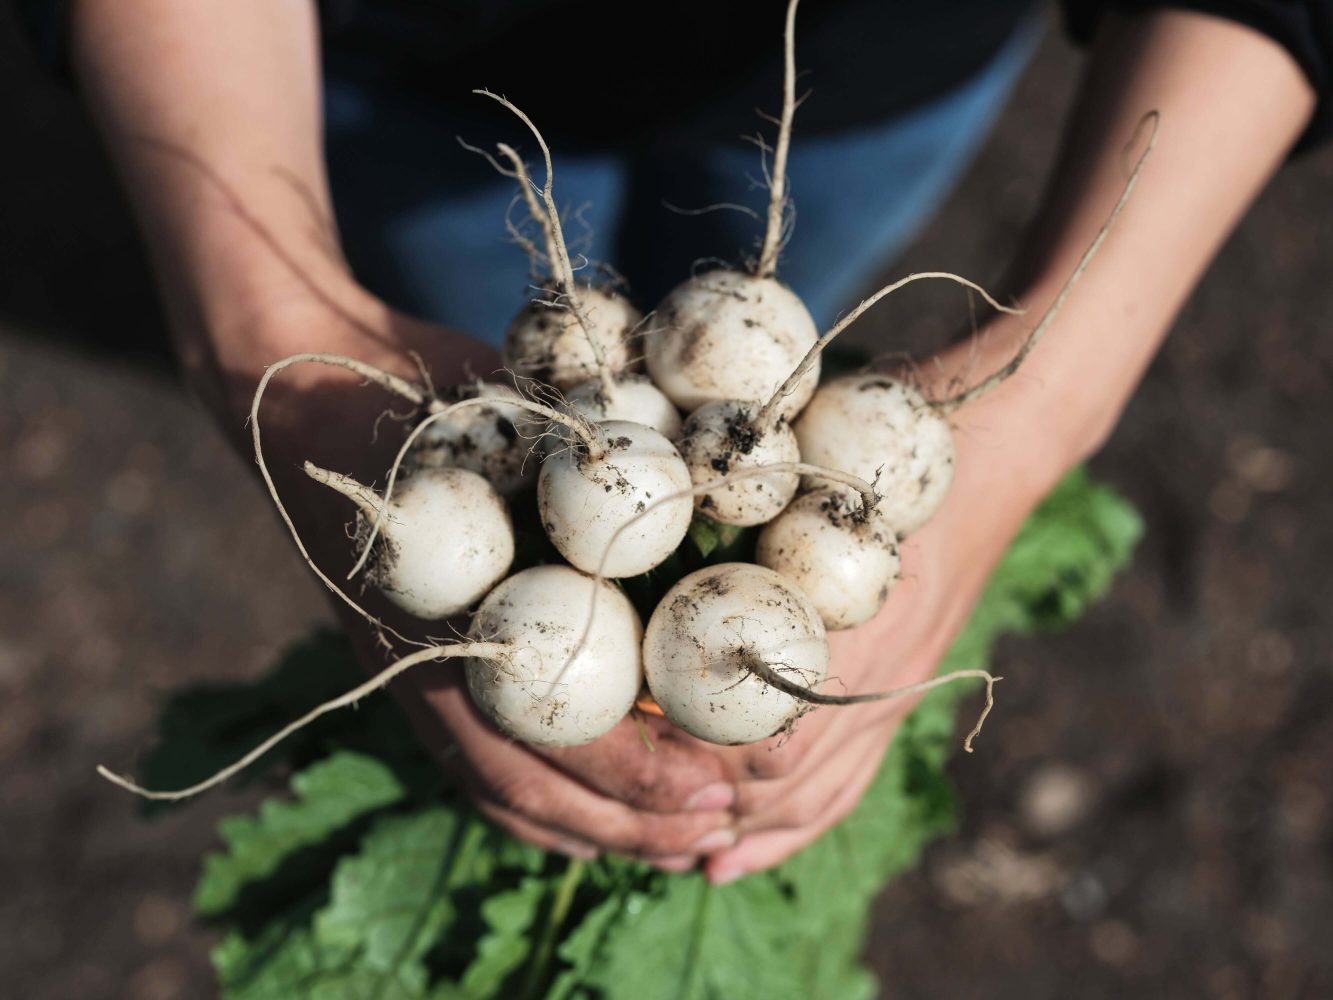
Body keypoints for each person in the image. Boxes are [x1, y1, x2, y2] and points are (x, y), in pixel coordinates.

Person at [59, 0, 1319, 884]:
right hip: (399, 71)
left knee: (762, 286)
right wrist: (274, 339)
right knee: (507, 292)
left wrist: (1039, 405)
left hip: (888, 62)